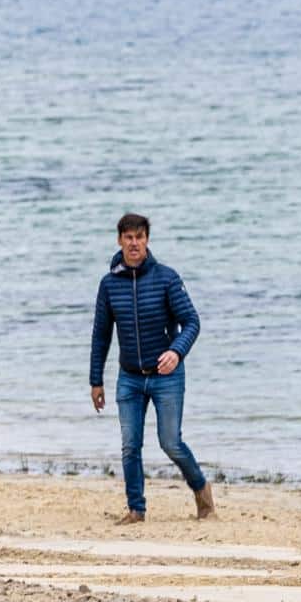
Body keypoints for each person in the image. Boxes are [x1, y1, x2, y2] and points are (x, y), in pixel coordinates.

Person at [88, 213, 215, 524]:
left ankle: (201, 491)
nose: (134, 243)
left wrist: (176, 351)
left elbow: (192, 322)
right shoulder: (109, 285)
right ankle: (136, 510)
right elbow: (101, 335)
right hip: (129, 378)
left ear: (147, 240)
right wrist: (96, 380)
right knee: (130, 446)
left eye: (140, 237)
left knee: (170, 443)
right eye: (129, 237)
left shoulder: (166, 278)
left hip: (166, 376)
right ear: (119, 240)